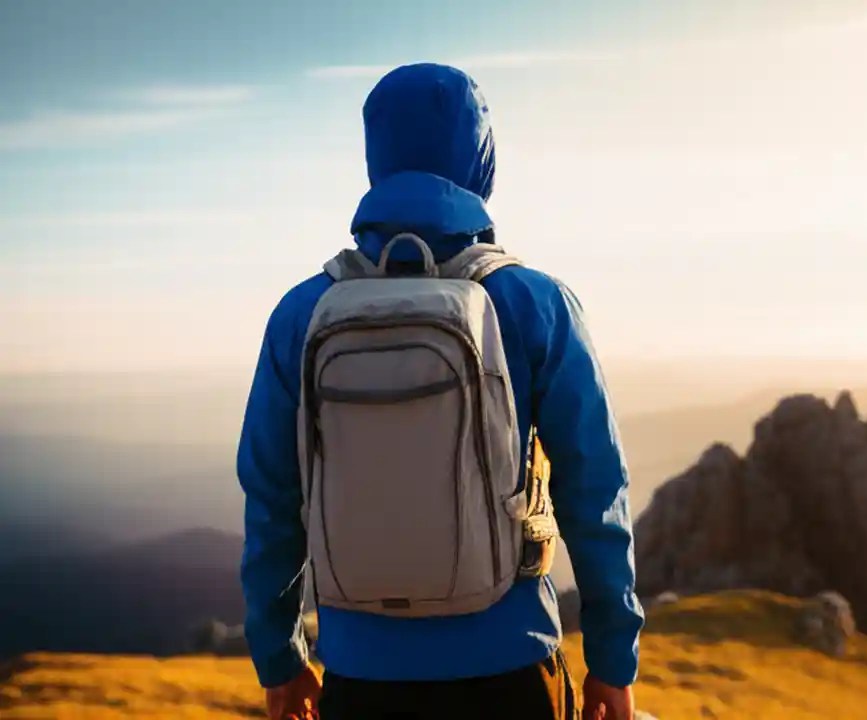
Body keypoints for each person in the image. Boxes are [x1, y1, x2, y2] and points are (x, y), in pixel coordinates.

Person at [236, 63, 643, 720]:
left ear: (376, 159)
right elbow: (595, 490)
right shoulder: (534, 302)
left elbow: (272, 500)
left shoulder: (301, 314)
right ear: (480, 159)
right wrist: (613, 660)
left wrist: (280, 659)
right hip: (511, 667)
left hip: (361, 676)